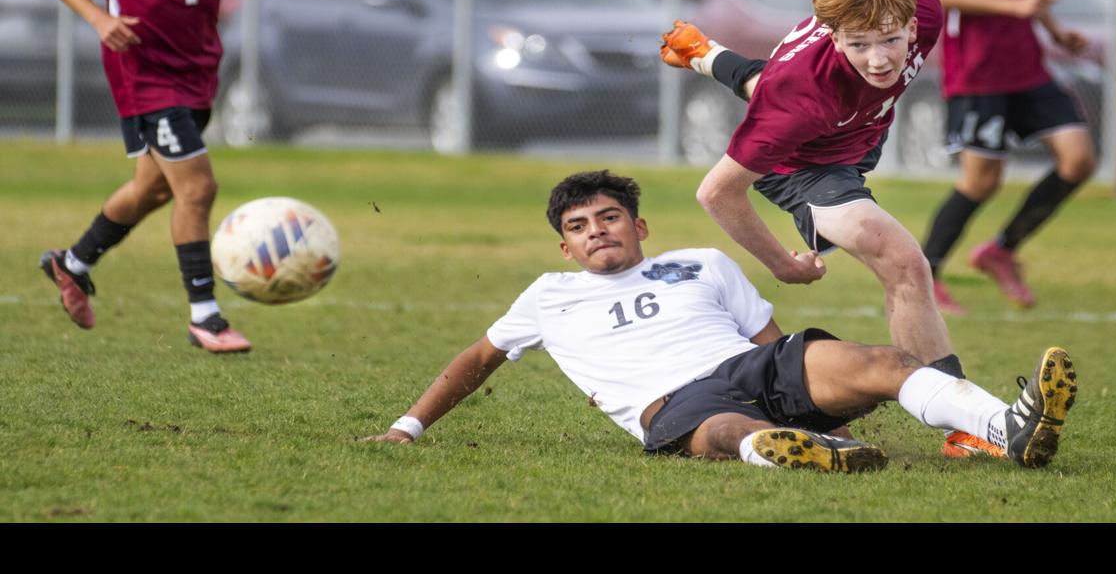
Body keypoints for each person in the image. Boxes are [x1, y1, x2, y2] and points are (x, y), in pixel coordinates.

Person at [361, 170, 1078, 474]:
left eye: (608, 217)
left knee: (884, 363)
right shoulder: (546, 295)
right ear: (565, 246)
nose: (596, 231)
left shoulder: (702, 260)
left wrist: (823, 399)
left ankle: (1008, 429)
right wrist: (407, 425)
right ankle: (799, 453)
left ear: (638, 224)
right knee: (729, 433)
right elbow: (475, 361)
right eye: (579, 226)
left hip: (747, 368)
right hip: (674, 404)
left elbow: (771, 346)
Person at [659, 0, 1007, 460]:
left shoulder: (923, 5)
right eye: (859, 45)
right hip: (806, 169)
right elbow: (717, 192)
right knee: (902, 260)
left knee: (770, 87)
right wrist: (782, 264)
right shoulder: (799, 95)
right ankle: (968, 424)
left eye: (889, 40)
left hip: (852, 128)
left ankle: (703, 52)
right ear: (834, 37)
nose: (880, 60)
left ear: (912, 26)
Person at [41, 0, 259, 354]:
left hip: (196, 69)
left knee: (152, 189)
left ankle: (72, 263)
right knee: (197, 189)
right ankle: (205, 316)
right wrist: (98, 18)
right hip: (145, 74)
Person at [921, 0, 1096, 313]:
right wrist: (1013, 7)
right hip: (978, 74)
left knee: (1079, 160)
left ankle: (1001, 251)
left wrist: (1056, 33)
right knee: (981, 182)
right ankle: (926, 278)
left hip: (1028, 70)